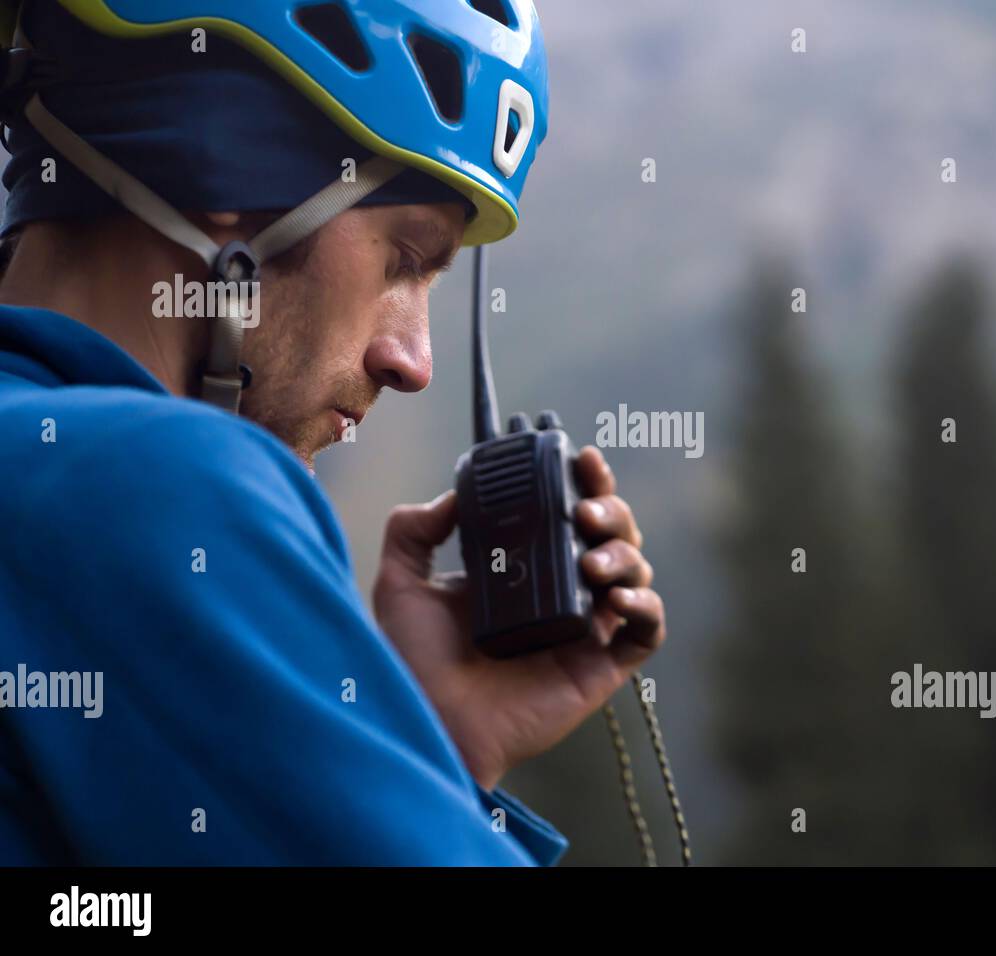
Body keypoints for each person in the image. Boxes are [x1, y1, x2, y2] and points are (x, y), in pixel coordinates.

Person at [0, 0, 665, 865]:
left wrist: (412, 752)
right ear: (229, 161)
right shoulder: (153, 484)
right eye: (406, 260)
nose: (413, 361)